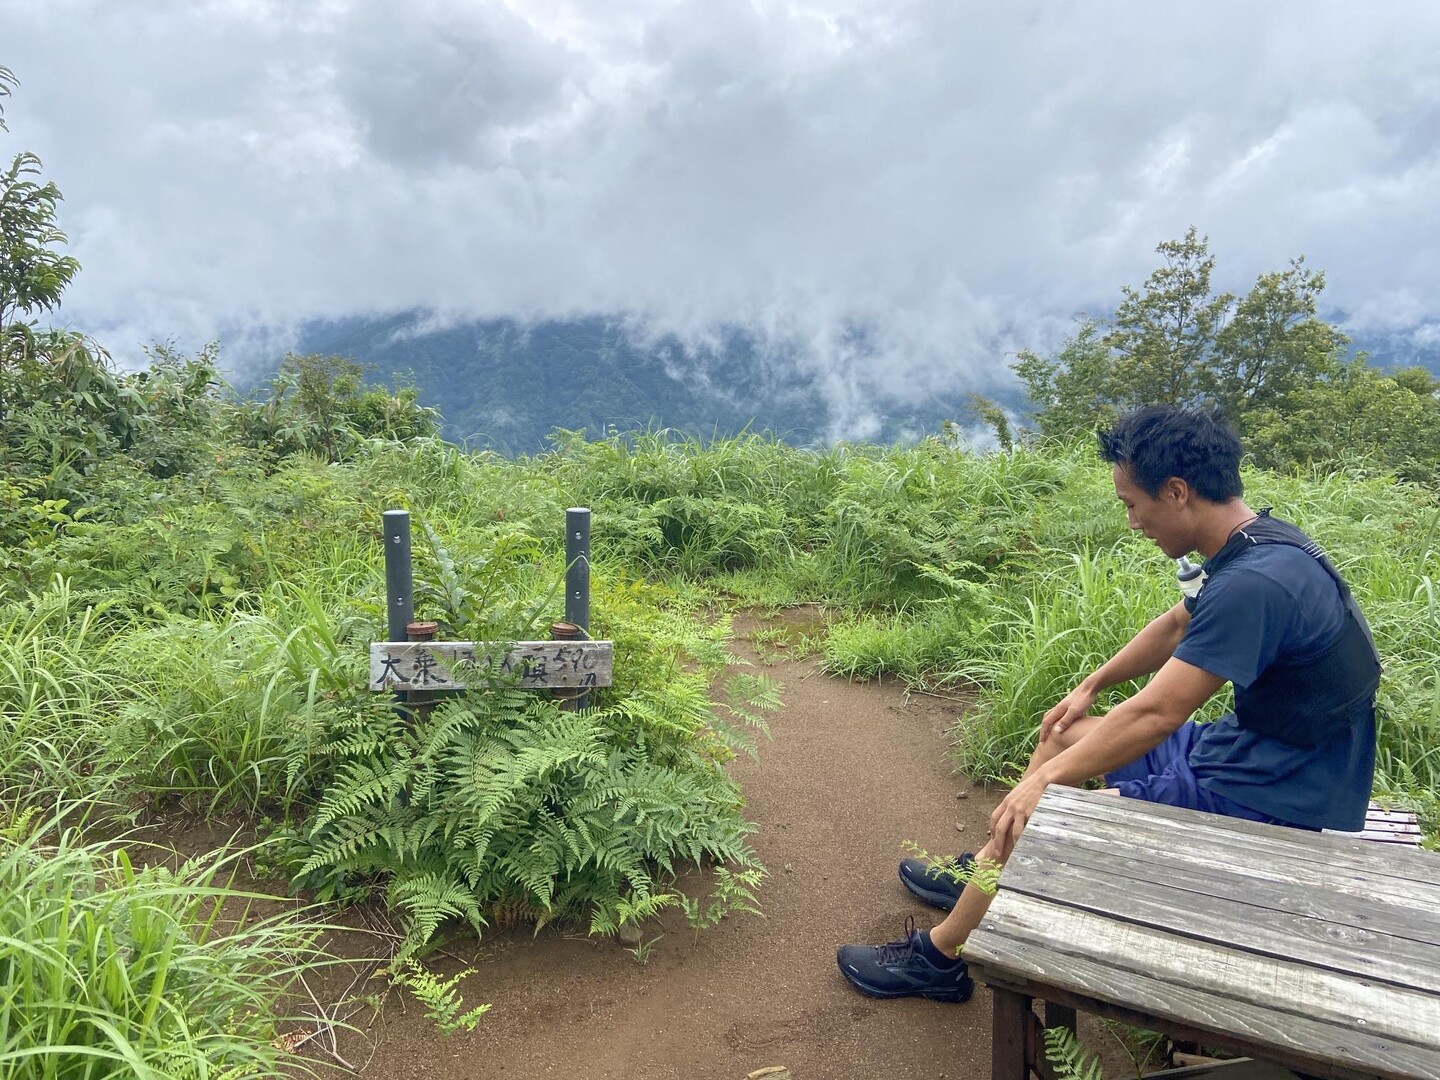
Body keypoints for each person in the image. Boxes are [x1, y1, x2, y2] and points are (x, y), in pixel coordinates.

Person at [837, 405, 1380, 1003]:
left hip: (1275, 790)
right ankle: (992, 872)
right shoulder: (1259, 543)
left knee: (1047, 813)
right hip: (1253, 749)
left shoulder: (1256, 584)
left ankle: (941, 958)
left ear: (1177, 492)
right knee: (1061, 733)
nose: (1132, 522)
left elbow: (1157, 714)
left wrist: (1041, 786)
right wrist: (1089, 687)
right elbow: (1178, 624)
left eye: (1133, 504)